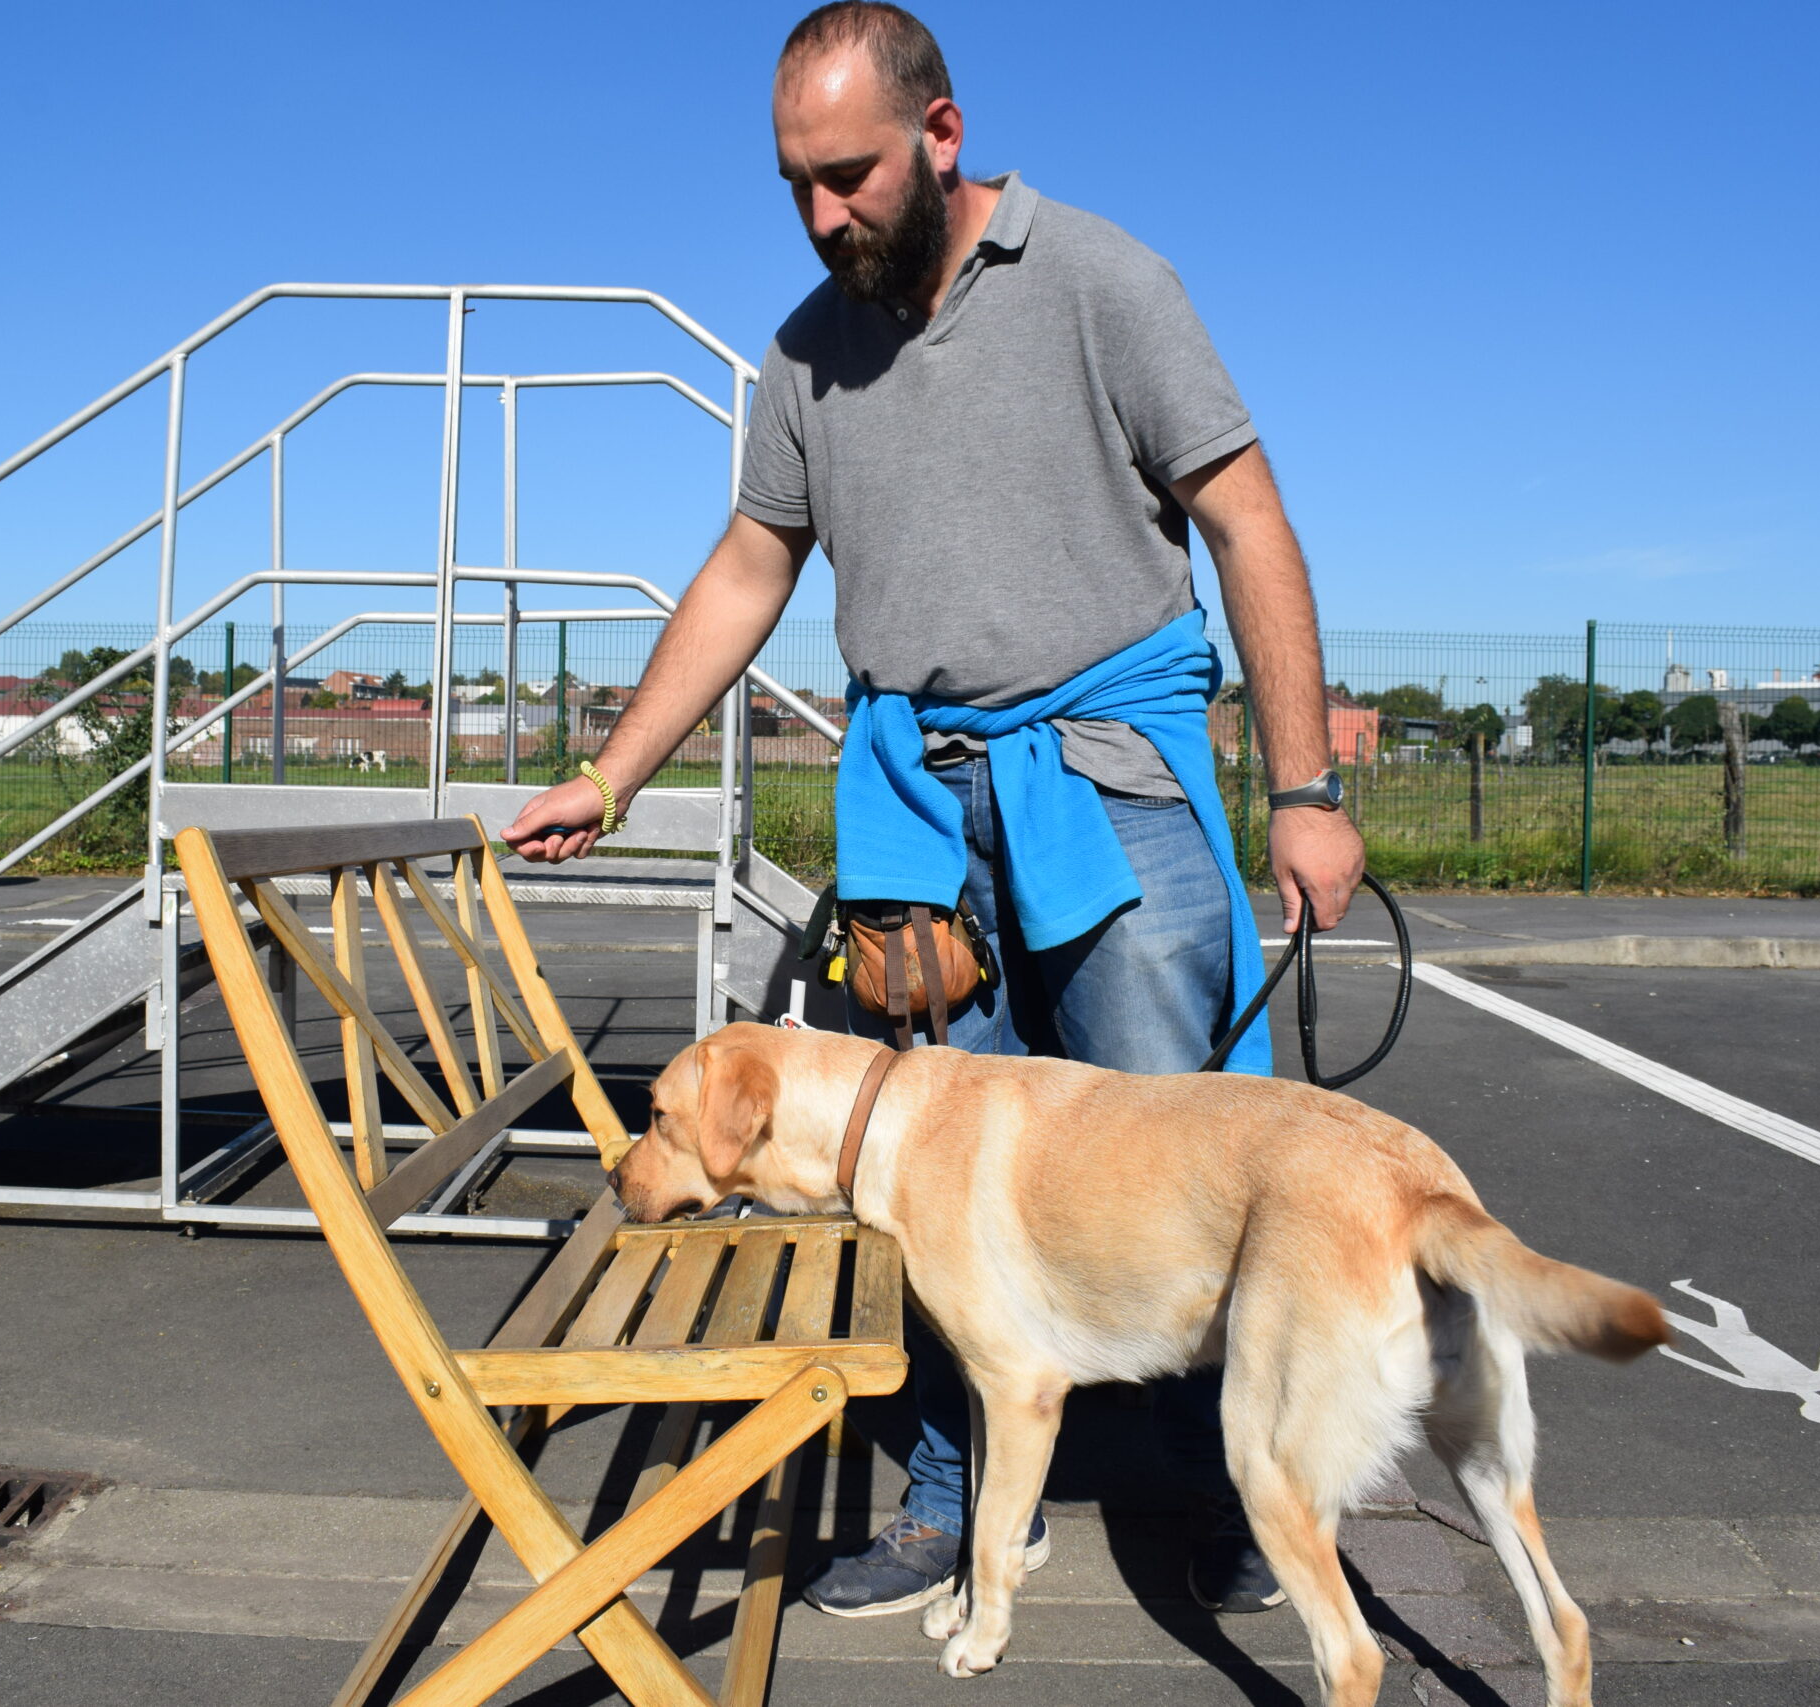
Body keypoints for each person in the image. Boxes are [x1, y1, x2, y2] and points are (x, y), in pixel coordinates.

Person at [502, 1, 1365, 1621]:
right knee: (915, 1178)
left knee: (1180, 1149)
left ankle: (1242, 1488)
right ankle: (960, 1500)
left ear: (943, 133)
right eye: (795, 187)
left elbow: (1247, 521)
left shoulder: (1105, 281)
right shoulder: (801, 356)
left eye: (849, 175)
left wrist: (1305, 789)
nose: (825, 215)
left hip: (1108, 780)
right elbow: (752, 566)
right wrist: (616, 769)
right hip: (917, 811)